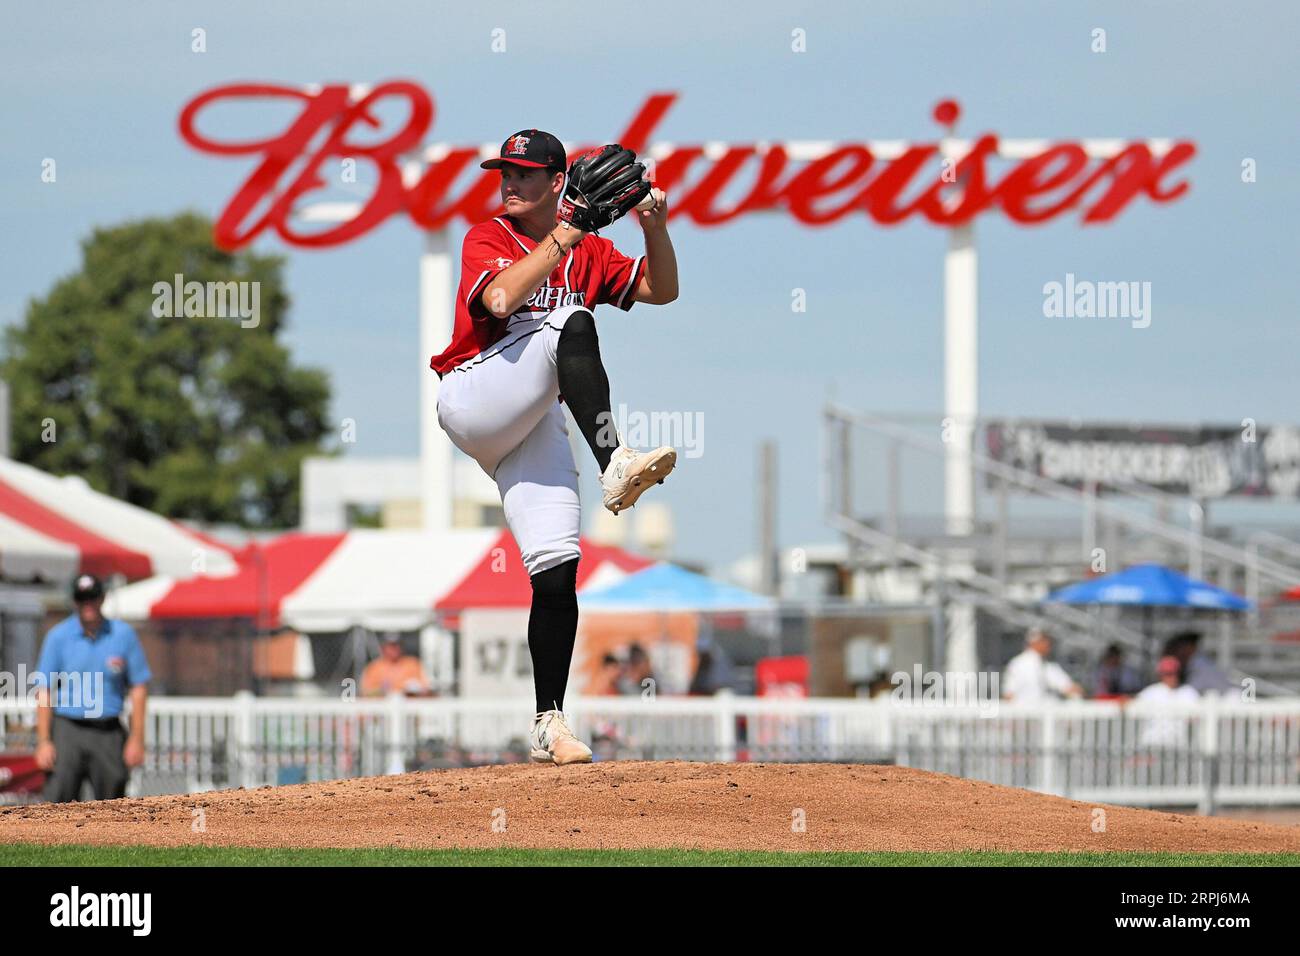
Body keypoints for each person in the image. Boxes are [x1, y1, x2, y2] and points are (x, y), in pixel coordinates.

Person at [431, 130, 679, 765]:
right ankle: (616, 459)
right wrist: (565, 232)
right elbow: (498, 298)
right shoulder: (487, 236)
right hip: (476, 394)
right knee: (571, 321)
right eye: (503, 173)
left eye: (524, 174)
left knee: (556, 565)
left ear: (557, 180)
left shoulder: (591, 250)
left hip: (532, 422)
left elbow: (660, 289)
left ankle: (548, 721)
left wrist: (655, 224)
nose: (509, 183)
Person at [33, 574, 151, 802]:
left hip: (108, 731)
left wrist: (137, 738)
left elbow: (139, 687)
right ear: (75, 602)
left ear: (102, 598)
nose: (88, 605)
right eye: (82, 599)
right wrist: (44, 741)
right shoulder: (58, 637)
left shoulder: (123, 635)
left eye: (93, 598)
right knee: (59, 801)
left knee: (113, 805)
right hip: (67, 730)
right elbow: (44, 689)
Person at [1001, 628, 1083, 703]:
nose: (1048, 645)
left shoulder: (1048, 666)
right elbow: (1008, 694)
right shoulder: (1018, 664)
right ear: (1035, 642)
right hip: (1027, 715)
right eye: (1045, 641)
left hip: (1046, 715)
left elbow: (1070, 688)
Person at [1134, 655, 1199, 748]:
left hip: (1179, 746)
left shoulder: (1189, 692)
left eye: (1174, 672)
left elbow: (1197, 716)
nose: (1172, 676)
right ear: (1161, 675)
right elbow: (1131, 705)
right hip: (1153, 744)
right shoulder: (1151, 692)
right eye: (1167, 673)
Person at [360, 633, 432, 697]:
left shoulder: (413, 663)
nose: (394, 649)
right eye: (391, 646)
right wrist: (382, 690)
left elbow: (426, 688)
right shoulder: (374, 667)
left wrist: (412, 690)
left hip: (411, 707)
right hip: (382, 708)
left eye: (397, 645)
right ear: (383, 648)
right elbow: (365, 692)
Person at [1165, 631, 1234, 695]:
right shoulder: (1192, 663)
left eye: (1181, 647)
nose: (1179, 651)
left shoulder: (1201, 665)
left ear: (1190, 647)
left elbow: (1192, 690)